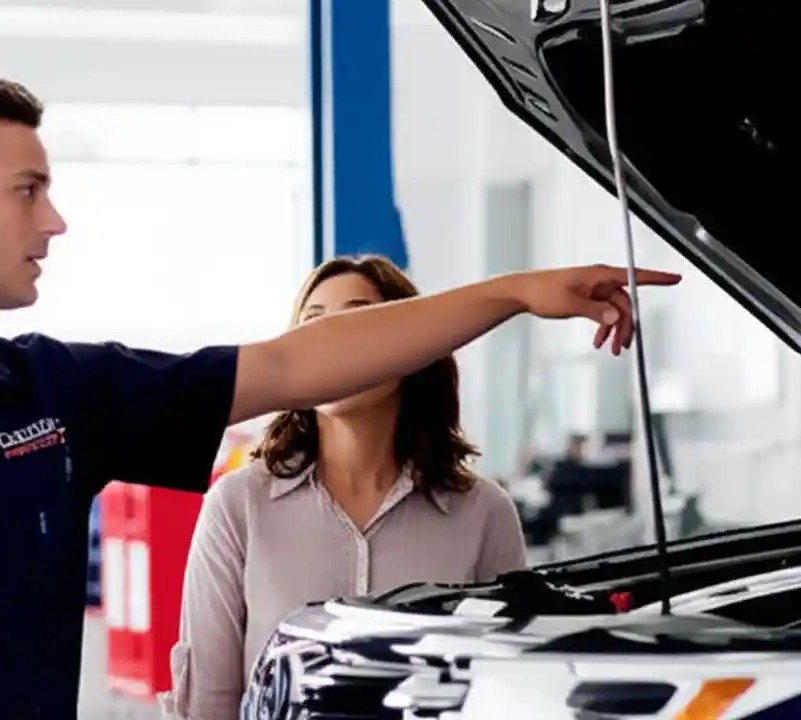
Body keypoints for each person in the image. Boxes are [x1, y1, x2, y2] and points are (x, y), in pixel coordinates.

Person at [0, 71, 680, 720]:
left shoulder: (57, 392)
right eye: (26, 190)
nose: (57, 218)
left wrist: (511, 293)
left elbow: (296, 368)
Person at [160, 255, 530, 720]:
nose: (332, 348)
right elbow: (208, 705)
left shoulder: (483, 513)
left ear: (412, 351)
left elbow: (507, 692)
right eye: (313, 326)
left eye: (356, 322)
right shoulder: (238, 506)